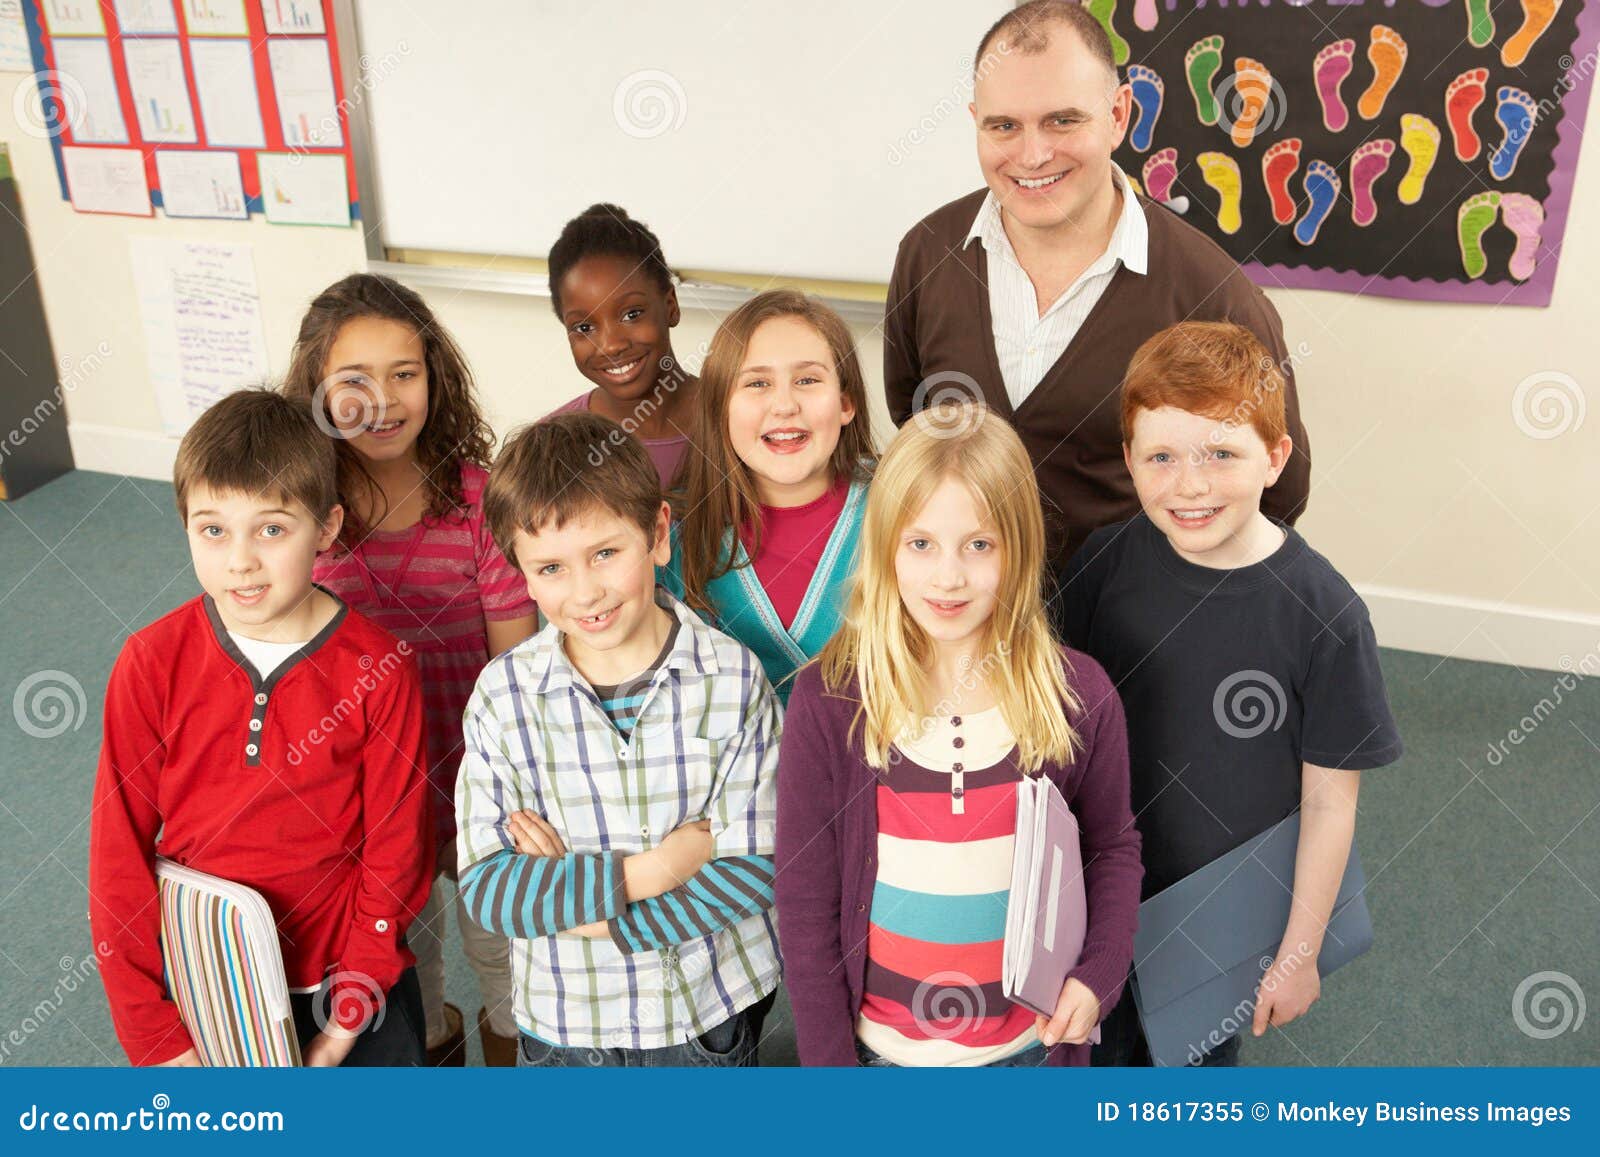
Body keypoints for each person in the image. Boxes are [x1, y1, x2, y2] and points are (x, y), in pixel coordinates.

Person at [1055, 321, 1402, 1065]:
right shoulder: (1103, 564)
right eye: (1162, 456)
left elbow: (1331, 802)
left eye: (1221, 453)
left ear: (1275, 457)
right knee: (1077, 1064)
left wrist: (1300, 950)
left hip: (1217, 921)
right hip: (1096, 889)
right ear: (1129, 460)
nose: (1190, 484)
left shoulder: (1326, 613)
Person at [884, 0, 1310, 573]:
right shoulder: (927, 254)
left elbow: (1278, 492)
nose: (1033, 155)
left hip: (1130, 641)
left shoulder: (1214, 295)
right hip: (961, 620)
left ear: (1117, 114)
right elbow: (915, 418)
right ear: (976, 122)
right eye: (1005, 126)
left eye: (1063, 121)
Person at [775, 402, 1142, 1066]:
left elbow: (1112, 848)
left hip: (1032, 1050)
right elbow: (804, 905)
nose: (949, 575)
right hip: (880, 1055)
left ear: (1018, 548)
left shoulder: (1078, 696)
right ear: (885, 547)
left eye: (979, 544)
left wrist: (1098, 974)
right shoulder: (828, 700)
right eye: (921, 544)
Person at [89, 388, 432, 1067]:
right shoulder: (150, 661)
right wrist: (156, 1038)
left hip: (349, 985)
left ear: (327, 527)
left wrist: (345, 1021)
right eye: (213, 529)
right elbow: (116, 857)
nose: (240, 560)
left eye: (271, 528)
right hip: (210, 988)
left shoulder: (382, 669)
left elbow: (396, 853)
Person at [457, 411, 782, 1066]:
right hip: (565, 1024)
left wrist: (586, 908)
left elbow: (752, 869)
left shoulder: (733, 678)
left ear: (658, 534)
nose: (586, 591)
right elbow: (492, 888)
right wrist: (657, 869)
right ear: (520, 570)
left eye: (605, 553)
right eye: (550, 567)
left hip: (702, 1016)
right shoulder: (504, 696)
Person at [284, 273, 538, 1066]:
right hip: (367, 796)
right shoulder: (305, 519)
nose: (383, 400)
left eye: (405, 373)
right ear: (317, 391)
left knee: (502, 955)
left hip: (480, 775)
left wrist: (506, 796)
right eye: (353, 380)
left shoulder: (478, 503)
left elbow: (517, 671)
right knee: (407, 963)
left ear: (434, 376)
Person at [664, 290, 875, 701]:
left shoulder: (904, 511)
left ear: (846, 402)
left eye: (808, 380)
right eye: (757, 383)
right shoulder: (673, 537)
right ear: (720, 407)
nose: (784, 405)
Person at [547, 203, 700, 486]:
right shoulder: (551, 451)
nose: (611, 345)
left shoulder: (742, 416)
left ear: (670, 306)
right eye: (584, 327)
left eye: (632, 314)